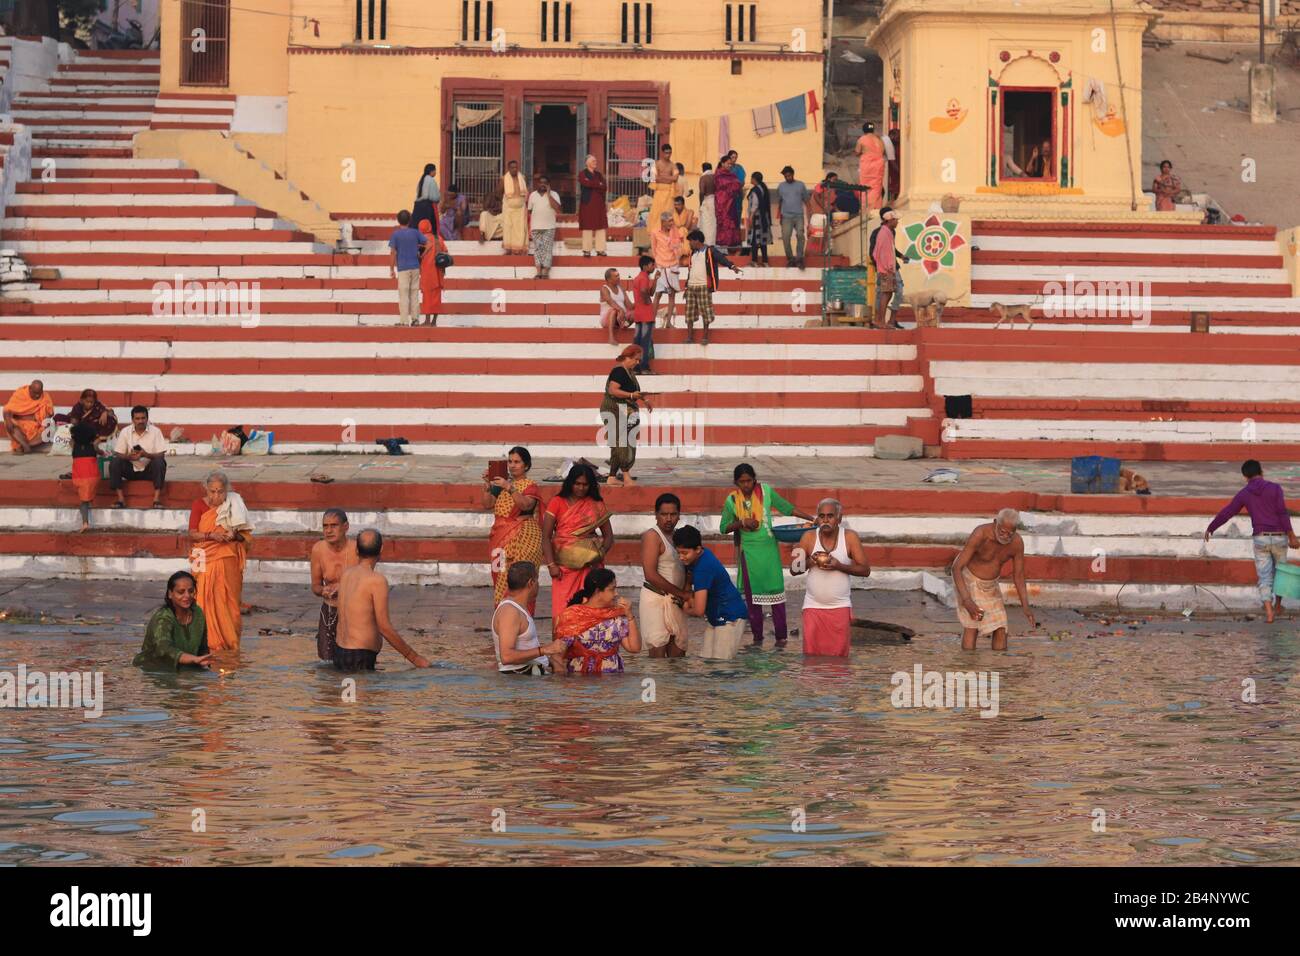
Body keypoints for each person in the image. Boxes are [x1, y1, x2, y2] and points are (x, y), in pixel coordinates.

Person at [721, 463, 815, 647]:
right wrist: (741, 522)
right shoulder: (731, 500)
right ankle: (757, 638)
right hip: (748, 553)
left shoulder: (766, 491)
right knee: (753, 600)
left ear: (754, 479)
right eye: (741, 482)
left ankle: (781, 638)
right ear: (736, 483)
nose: (746, 485)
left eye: (749, 480)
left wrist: (811, 519)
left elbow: (787, 508)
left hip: (769, 551)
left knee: (776, 595)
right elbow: (724, 527)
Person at [1204, 459, 1299, 624]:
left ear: (1245, 477)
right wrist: (1292, 536)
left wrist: (1211, 527)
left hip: (1260, 538)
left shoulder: (1244, 493)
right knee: (1280, 573)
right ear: (1261, 472)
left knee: (1264, 577)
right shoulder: (1275, 488)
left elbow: (1228, 511)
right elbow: (1282, 513)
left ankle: (1269, 613)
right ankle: (1278, 605)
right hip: (1279, 537)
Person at [335, 529, 431, 670]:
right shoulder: (377, 581)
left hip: (339, 652)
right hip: (359, 657)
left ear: (356, 550)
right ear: (381, 549)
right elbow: (384, 628)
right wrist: (415, 658)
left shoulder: (346, 574)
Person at [791, 498, 872, 657]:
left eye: (830, 516)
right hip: (812, 607)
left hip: (840, 607)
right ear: (817, 518)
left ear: (839, 518)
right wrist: (811, 561)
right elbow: (794, 569)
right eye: (822, 516)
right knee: (811, 659)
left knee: (839, 661)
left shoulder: (850, 537)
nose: (825, 520)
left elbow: (865, 570)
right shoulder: (808, 537)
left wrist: (839, 566)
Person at [952, 508, 1036, 651]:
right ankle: (967, 667)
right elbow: (956, 567)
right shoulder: (981, 534)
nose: (1005, 536)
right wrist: (967, 601)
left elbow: (1019, 575)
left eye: (1010, 533)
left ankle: (999, 667)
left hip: (991, 586)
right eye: (1002, 531)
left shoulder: (1016, 543)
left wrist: (1026, 606)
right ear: (995, 522)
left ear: (1016, 530)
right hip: (968, 580)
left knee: (1001, 626)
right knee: (973, 626)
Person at [541, 463, 613, 627]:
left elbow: (609, 536)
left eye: (585, 484)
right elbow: (546, 537)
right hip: (563, 569)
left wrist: (598, 555)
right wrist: (551, 565)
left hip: (591, 568)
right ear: (570, 483)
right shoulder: (557, 502)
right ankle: (561, 650)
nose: (581, 488)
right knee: (563, 613)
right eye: (577, 483)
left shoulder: (596, 503)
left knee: (591, 613)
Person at [188, 469, 252, 652]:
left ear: (227, 490)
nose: (216, 495)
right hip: (204, 557)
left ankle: (229, 644)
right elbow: (192, 534)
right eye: (212, 491)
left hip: (228, 559)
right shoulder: (198, 505)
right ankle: (206, 643)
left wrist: (234, 535)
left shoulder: (235, 505)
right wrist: (212, 535)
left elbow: (246, 537)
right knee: (202, 599)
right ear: (206, 490)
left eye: (220, 491)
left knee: (229, 602)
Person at [673, 524, 749, 660]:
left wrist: (685, 609)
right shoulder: (701, 555)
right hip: (717, 616)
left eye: (684, 553)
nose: (681, 557)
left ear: (697, 549)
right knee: (706, 663)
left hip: (730, 618)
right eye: (678, 552)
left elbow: (699, 610)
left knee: (721, 666)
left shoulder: (703, 568)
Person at [483, 445, 544, 612]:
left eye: (517, 462)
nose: (512, 465)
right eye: (510, 461)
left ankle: (523, 623)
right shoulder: (500, 484)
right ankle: (503, 621)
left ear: (526, 465)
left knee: (522, 580)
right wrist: (488, 487)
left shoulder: (530, 486)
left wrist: (509, 487)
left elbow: (526, 504)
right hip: (498, 537)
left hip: (524, 538)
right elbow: (487, 504)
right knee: (498, 578)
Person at [553, 568, 641, 674]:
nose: (616, 594)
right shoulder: (572, 616)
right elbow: (557, 656)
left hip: (612, 684)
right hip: (579, 683)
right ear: (598, 591)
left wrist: (630, 615)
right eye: (612, 589)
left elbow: (634, 648)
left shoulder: (616, 616)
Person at [492, 561, 566, 675]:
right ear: (531, 583)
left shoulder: (517, 608)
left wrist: (551, 661)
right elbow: (506, 657)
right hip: (520, 682)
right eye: (537, 581)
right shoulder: (510, 612)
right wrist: (545, 650)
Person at [641, 493, 691, 657]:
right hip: (655, 600)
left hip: (676, 601)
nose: (668, 519)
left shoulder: (679, 536)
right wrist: (682, 593)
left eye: (673, 514)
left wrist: (685, 591)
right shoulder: (652, 536)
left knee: (678, 656)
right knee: (657, 657)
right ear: (655, 515)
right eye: (664, 514)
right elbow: (650, 574)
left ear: (679, 515)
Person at [133, 570, 213, 671]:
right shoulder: (163, 617)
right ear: (170, 594)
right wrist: (194, 659)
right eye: (181, 592)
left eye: (191, 591)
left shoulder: (198, 613)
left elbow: (203, 648)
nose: (187, 596)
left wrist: (205, 662)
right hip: (154, 669)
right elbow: (164, 649)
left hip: (187, 668)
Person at [309, 507, 359, 662]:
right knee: (326, 662)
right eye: (325, 526)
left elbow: (365, 582)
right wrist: (323, 590)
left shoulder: (357, 549)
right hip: (329, 610)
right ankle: (329, 687)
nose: (328, 531)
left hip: (354, 611)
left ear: (346, 527)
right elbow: (315, 586)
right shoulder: (318, 549)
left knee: (355, 660)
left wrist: (343, 587)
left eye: (333, 525)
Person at [602, 345, 652, 486]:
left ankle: (612, 476)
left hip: (627, 409)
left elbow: (635, 391)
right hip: (615, 408)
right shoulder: (618, 371)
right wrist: (631, 395)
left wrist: (645, 400)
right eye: (636, 359)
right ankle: (626, 475)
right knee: (621, 442)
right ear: (627, 357)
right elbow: (613, 390)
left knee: (623, 442)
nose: (637, 363)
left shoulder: (629, 372)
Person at [684, 229, 742, 346]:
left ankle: (705, 336)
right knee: (689, 313)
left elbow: (721, 258)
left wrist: (732, 266)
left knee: (706, 312)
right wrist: (686, 287)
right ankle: (689, 337)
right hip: (691, 286)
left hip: (704, 286)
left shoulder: (710, 250)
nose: (689, 244)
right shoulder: (692, 253)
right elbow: (690, 271)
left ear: (697, 241)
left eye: (690, 241)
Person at [110, 405, 168, 509]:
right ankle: (120, 499)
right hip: (130, 469)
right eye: (137, 418)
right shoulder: (125, 432)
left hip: (149, 470)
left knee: (159, 461)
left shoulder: (156, 431)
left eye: (143, 418)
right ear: (132, 420)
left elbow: (161, 453)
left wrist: (146, 454)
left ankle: (156, 499)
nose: (140, 421)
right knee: (115, 462)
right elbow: (119, 453)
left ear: (147, 418)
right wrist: (129, 457)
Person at [870, 205, 909, 324]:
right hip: (885, 268)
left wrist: (901, 256)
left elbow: (891, 249)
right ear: (889, 219)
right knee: (883, 293)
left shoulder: (890, 231)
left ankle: (890, 320)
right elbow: (874, 252)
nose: (897, 222)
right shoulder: (879, 232)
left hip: (891, 266)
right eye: (895, 220)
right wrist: (882, 267)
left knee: (895, 292)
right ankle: (879, 320)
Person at [388, 209, 426, 327]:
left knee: (404, 295)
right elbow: (427, 243)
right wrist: (421, 253)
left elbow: (393, 253)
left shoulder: (396, 234)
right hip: (415, 267)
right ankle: (415, 320)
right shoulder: (415, 233)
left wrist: (391, 269)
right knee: (414, 294)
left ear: (398, 221)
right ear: (410, 220)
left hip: (403, 268)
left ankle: (404, 321)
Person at [651, 211, 685, 328]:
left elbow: (680, 249)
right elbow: (654, 250)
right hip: (661, 267)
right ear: (663, 222)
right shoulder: (655, 233)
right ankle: (652, 321)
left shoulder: (675, 233)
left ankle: (669, 322)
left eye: (672, 220)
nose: (672, 223)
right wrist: (658, 263)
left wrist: (676, 247)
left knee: (672, 296)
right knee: (658, 294)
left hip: (673, 266)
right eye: (669, 221)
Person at [4, 378, 54, 454]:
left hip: (37, 425)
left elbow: (50, 413)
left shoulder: (45, 397)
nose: (37, 396)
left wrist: (45, 422)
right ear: (30, 388)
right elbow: (7, 410)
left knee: (48, 429)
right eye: (35, 393)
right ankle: (26, 446)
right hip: (20, 424)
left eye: (39, 393)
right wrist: (8, 420)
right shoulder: (20, 393)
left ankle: (22, 446)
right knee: (9, 422)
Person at [527, 175, 562, 280]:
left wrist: (548, 194)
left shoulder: (554, 194)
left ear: (548, 184)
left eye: (545, 183)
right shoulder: (532, 195)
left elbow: (558, 208)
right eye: (541, 182)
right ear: (537, 184)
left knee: (547, 249)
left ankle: (545, 272)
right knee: (538, 249)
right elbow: (529, 211)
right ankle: (538, 272)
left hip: (549, 227)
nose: (542, 184)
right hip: (535, 227)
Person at [776, 166, 810, 269]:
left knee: (800, 235)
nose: (787, 178)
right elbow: (780, 201)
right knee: (786, 238)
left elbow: (806, 200)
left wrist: (810, 214)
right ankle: (791, 259)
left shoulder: (800, 185)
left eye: (789, 175)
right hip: (786, 216)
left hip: (798, 215)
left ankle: (799, 259)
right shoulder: (781, 186)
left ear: (793, 174)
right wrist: (779, 215)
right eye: (785, 176)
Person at [70, 419, 100, 533]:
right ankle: (90, 500)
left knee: (83, 503)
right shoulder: (93, 446)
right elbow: (98, 445)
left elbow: (71, 442)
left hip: (80, 478)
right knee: (88, 495)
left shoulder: (74, 446)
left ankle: (85, 523)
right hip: (93, 476)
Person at [417, 218, 448, 327]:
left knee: (427, 297)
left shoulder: (421, 240)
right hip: (438, 272)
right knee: (436, 298)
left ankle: (427, 321)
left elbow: (418, 255)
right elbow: (445, 252)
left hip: (427, 273)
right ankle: (434, 321)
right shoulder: (438, 238)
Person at [578, 154, 608, 257]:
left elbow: (604, 187)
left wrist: (595, 184)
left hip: (599, 204)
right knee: (587, 226)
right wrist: (597, 184)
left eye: (595, 161)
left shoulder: (599, 175)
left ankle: (600, 249)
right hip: (587, 203)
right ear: (587, 163)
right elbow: (585, 183)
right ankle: (587, 250)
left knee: (600, 226)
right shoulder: (582, 174)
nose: (595, 162)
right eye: (592, 161)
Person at [630, 255, 657, 371]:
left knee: (638, 341)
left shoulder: (639, 277)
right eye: (652, 265)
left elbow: (650, 292)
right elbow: (645, 292)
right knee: (644, 342)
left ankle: (635, 367)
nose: (654, 267)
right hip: (646, 314)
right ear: (645, 266)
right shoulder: (644, 278)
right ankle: (644, 366)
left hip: (639, 314)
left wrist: (655, 280)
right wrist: (647, 301)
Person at [713, 155, 743, 251]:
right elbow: (723, 184)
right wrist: (732, 186)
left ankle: (731, 246)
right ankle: (722, 245)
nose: (730, 165)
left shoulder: (732, 175)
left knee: (731, 221)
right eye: (728, 163)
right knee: (723, 221)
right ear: (722, 163)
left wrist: (733, 186)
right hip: (722, 201)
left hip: (731, 202)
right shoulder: (718, 174)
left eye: (731, 164)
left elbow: (738, 185)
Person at [743, 170, 772, 267]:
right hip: (764, 217)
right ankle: (765, 261)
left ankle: (754, 261)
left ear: (754, 179)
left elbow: (755, 205)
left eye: (751, 178)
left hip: (757, 217)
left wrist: (751, 218)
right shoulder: (763, 188)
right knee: (763, 240)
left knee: (754, 239)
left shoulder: (755, 190)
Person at [855, 122, 887, 209]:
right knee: (877, 186)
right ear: (873, 130)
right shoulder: (880, 139)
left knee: (865, 186)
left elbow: (857, 151)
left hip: (867, 165)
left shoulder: (862, 139)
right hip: (878, 165)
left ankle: (866, 208)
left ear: (864, 130)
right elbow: (883, 151)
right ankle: (876, 207)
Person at [648, 142, 678, 234]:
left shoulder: (673, 165)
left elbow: (675, 178)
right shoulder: (656, 164)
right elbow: (654, 177)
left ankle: (668, 234)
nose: (668, 155)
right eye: (666, 153)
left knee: (669, 214)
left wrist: (661, 177)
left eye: (670, 153)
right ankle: (656, 233)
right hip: (659, 193)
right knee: (656, 213)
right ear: (662, 153)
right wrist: (669, 178)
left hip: (669, 194)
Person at [500, 160, 529, 254]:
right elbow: (499, 192)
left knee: (520, 229)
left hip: (520, 208)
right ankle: (508, 249)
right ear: (508, 168)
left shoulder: (523, 177)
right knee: (508, 228)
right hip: (508, 207)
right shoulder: (504, 178)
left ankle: (518, 249)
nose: (514, 169)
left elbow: (525, 191)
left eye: (516, 167)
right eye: (512, 167)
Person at [599, 267, 632, 346]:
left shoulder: (621, 288)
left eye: (618, 275)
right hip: (607, 319)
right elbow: (611, 302)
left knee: (635, 313)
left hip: (620, 317)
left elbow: (629, 306)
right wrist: (620, 310)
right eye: (616, 276)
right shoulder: (604, 289)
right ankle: (611, 337)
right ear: (609, 279)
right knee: (613, 310)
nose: (619, 278)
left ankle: (623, 325)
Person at [412, 163, 440, 234]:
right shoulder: (431, 180)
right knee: (429, 226)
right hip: (427, 206)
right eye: (435, 170)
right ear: (431, 171)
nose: (435, 172)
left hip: (418, 206)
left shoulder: (421, 180)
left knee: (417, 225)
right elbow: (435, 197)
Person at [697, 161, 717, 246]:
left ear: (703, 169)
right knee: (713, 223)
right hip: (715, 201)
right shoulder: (715, 177)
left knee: (706, 223)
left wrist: (701, 202)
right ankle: (713, 242)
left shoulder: (703, 178)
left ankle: (706, 242)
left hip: (707, 201)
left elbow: (702, 191)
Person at [727, 149, 746, 229]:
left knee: (737, 214)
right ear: (729, 158)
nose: (734, 159)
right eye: (732, 157)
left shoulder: (739, 167)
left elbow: (742, 181)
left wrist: (738, 186)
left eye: (735, 157)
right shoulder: (725, 169)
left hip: (737, 195)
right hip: (728, 196)